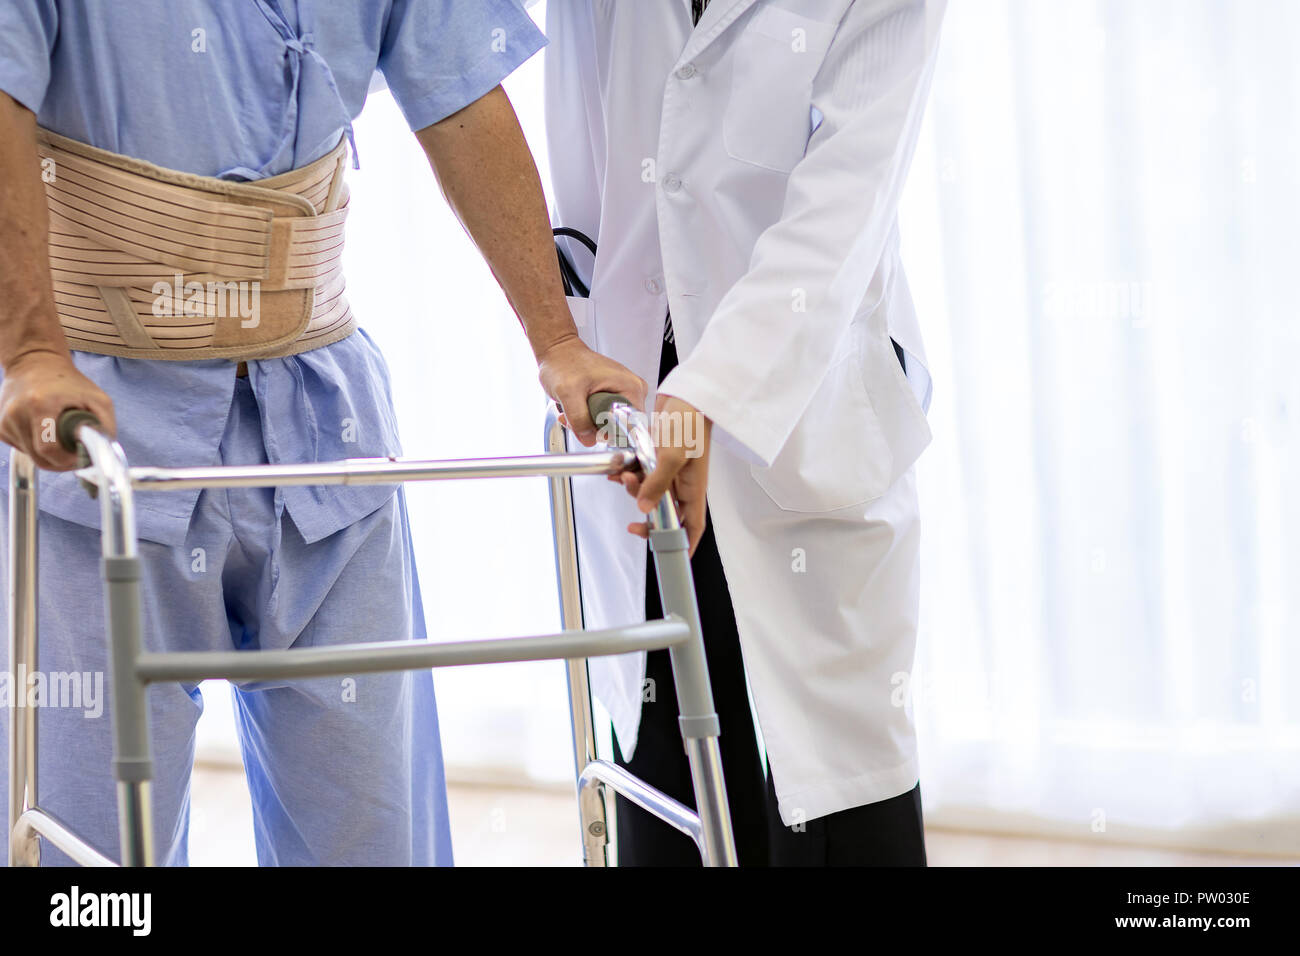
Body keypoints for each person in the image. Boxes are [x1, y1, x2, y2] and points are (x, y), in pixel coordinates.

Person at [0, 0, 643, 866]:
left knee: (374, 834)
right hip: (94, 427)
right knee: (92, 855)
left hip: (322, 418)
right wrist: (32, 349)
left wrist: (556, 339)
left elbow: (457, 92)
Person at [543, 0, 946, 865]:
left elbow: (846, 203)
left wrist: (711, 392)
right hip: (638, 413)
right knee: (668, 780)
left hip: (797, 406)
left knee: (834, 800)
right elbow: (579, 164)